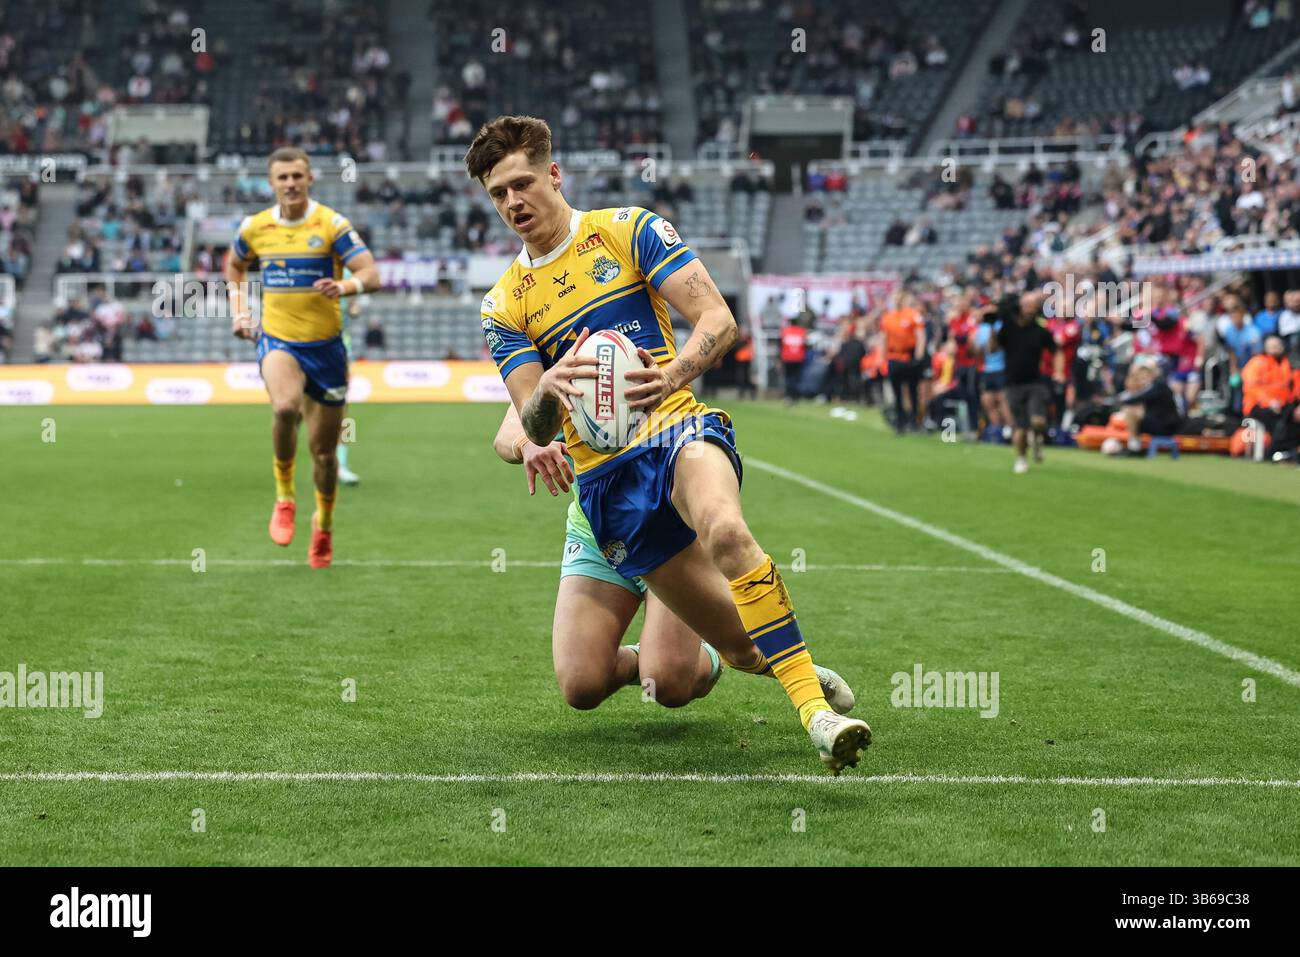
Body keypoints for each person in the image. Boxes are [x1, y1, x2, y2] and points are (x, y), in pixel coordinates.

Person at [469, 115, 870, 771]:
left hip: (679, 430)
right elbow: (533, 424)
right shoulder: (503, 305)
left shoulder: (629, 230)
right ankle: (785, 658)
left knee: (725, 528)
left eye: (521, 183)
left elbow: (718, 319)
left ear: (553, 174)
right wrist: (550, 391)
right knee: (692, 665)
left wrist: (672, 374)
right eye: (497, 194)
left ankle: (818, 719)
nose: (513, 202)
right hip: (607, 489)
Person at [490, 404, 856, 712]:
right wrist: (527, 445)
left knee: (668, 685)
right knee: (581, 687)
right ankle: (646, 657)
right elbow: (506, 432)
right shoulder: (544, 347)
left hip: (667, 533)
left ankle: (717, 650)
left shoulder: (644, 342)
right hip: (600, 536)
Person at [226, 147, 380, 568]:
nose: (290, 183)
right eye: (282, 177)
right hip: (279, 341)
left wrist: (344, 288)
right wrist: (240, 310)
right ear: (271, 183)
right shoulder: (255, 227)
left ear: (310, 179)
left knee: (325, 454)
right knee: (285, 406)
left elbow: (371, 275)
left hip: (326, 349)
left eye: (297, 175)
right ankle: (284, 497)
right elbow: (234, 268)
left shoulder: (331, 224)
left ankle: (324, 524)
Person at [997, 291, 1057, 474]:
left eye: (1032, 305)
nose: (1030, 309)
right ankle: (1021, 458)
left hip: (1034, 382)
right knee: (1021, 426)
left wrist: (1059, 371)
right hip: (1013, 383)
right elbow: (994, 347)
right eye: (1026, 305)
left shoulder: (1040, 330)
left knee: (1038, 421)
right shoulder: (1008, 328)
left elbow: (1056, 349)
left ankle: (1038, 441)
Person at [880, 290, 926, 434]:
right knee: (897, 392)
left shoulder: (912, 315)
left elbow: (920, 336)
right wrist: (882, 359)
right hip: (894, 357)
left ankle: (913, 421)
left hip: (909, 357)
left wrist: (918, 356)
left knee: (912, 390)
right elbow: (884, 339)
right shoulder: (887, 317)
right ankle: (900, 422)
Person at [1118, 355, 1183, 454]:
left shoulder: (1159, 385)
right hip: (1161, 422)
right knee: (1132, 411)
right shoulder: (1156, 385)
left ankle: (1134, 447)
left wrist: (1120, 400)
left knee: (1130, 412)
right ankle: (1134, 445)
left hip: (1166, 426)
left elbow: (1138, 398)